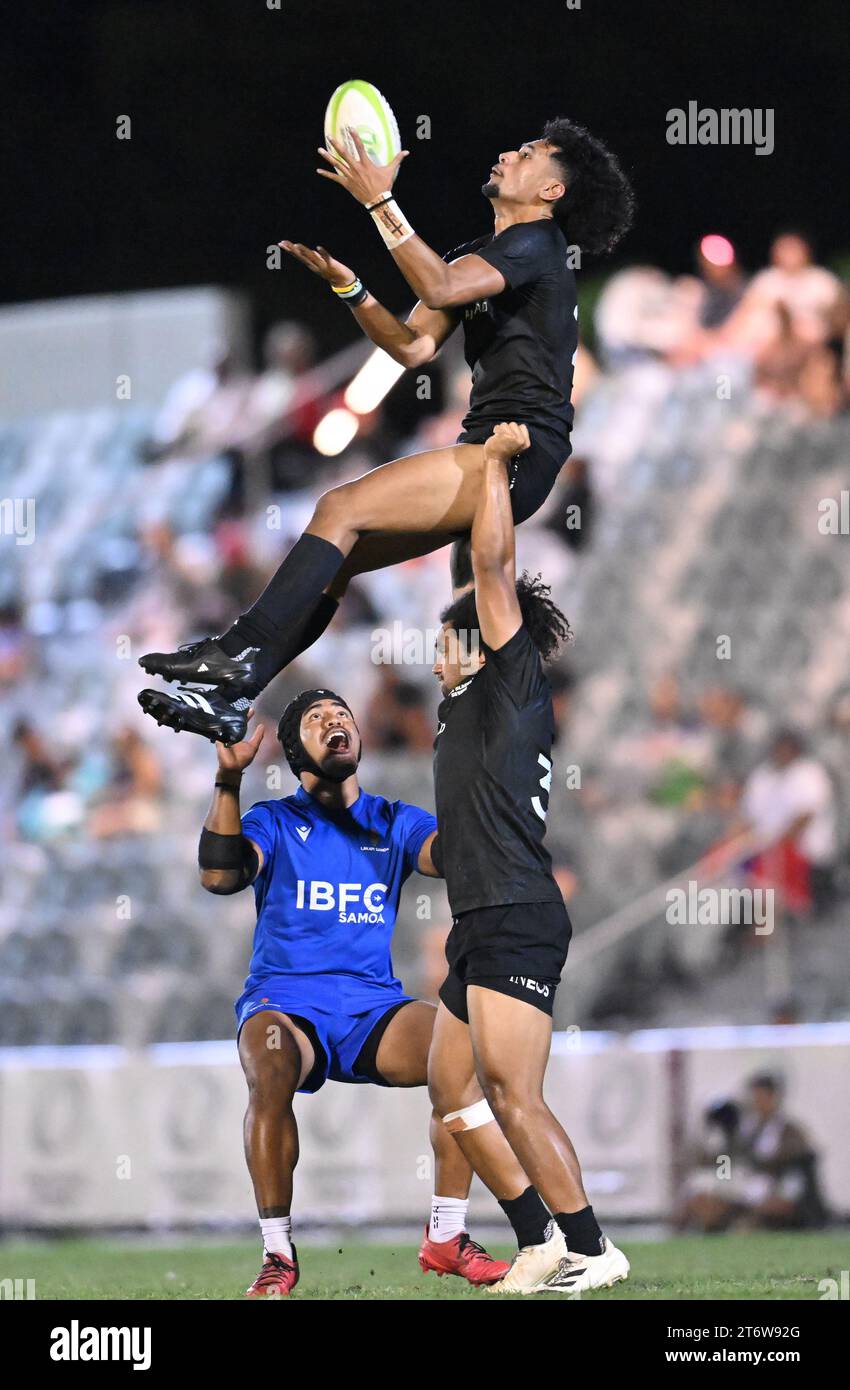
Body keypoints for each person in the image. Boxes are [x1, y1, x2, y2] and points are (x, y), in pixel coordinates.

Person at [137, 118, 634, 745]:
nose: (509, 152)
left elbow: (441, 285)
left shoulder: (537, 243)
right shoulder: (485, 253)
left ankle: (233, 653)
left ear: (552, 191)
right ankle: (236, 694)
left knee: (338, 507)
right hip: (486, 453)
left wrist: (380, 201)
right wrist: (352, 288)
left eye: (529, 153)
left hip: (511, 451)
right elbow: (415, 346)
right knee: (337, 558)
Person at [197, 685, 538, 1296]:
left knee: (459, 1058)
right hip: (284, 1003)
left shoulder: (394, 820)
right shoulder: (272, 819)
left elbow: (455, 855)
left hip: (372, 1006)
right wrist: (227, 784)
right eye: (318, 719)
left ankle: (447, 1235)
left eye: (343, 716)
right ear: (297, 756)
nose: (335, 722)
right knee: (270, 1062)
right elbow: (220, 875)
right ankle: (278, 1252)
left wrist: (483, 772)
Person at [425, 421, 630, 1294]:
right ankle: (536, 1236)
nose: (432, 652)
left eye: (444, 638)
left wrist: (495, 471)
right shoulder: (464, 709)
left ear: (477, 644)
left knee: (512, 1092)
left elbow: (490, 573)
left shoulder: (507, 679)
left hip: (514, 911)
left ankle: (591, 1246)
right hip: (480, 915)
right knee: (452, 1087)